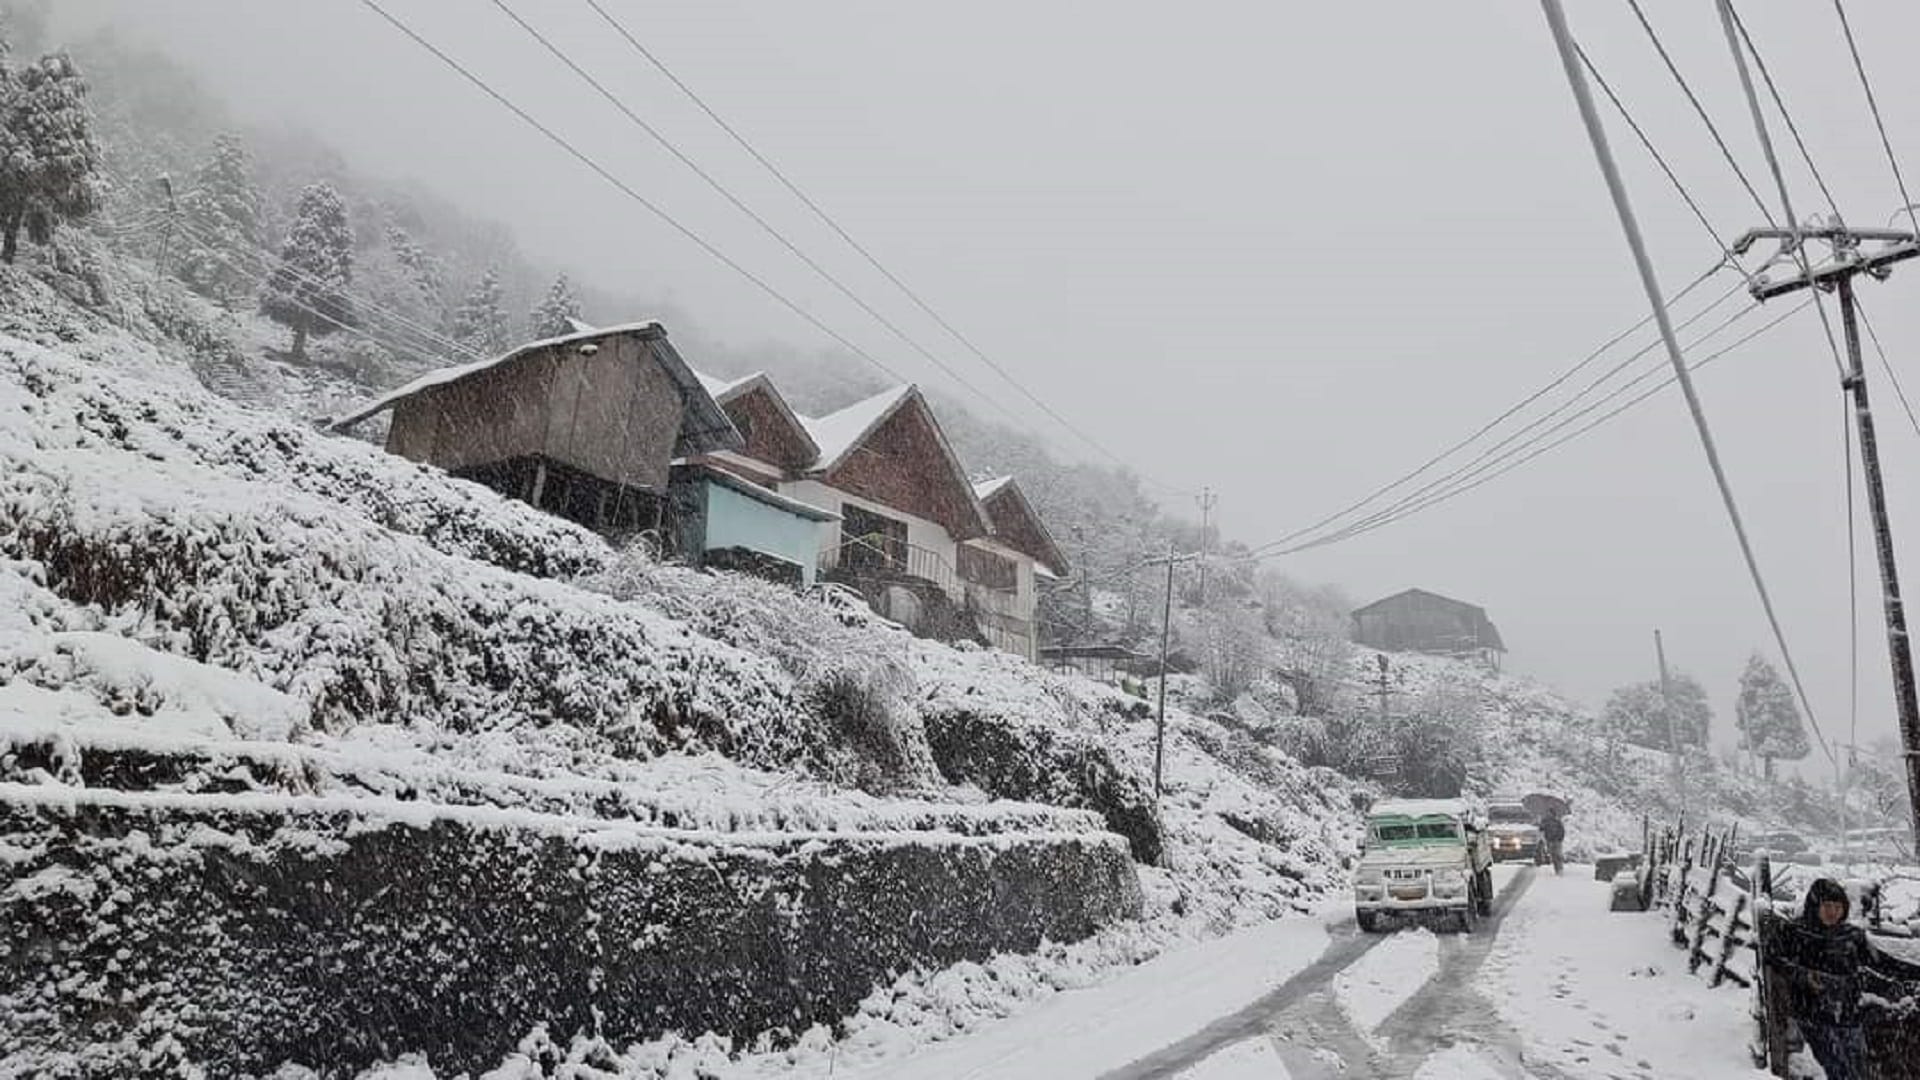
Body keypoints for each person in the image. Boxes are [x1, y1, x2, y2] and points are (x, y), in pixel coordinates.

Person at [1771, 878, 1874, 1080]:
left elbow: (1879, 963)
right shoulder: (1796, 932)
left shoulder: (1852, 936)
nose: (1833, 912)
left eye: (1838, 906)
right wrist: (1803, 976)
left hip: (1848, 1013)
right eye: (1827, 906)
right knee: (1836, 1067)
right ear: (1814, 906)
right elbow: (1774, 959)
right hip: (1811, 1014)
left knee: (1857, 1071)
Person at [1539, 806, 1566, 875]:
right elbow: (1541, 829)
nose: (1549, 814)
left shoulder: (1557, 822)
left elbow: (1562, 830)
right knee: (1553, 855)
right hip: (1549, 840)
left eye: (1550, 813)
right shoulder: (1545, 821)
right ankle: (1556, 868)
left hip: (1557, 840)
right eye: (1548, 813)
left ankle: (1560, 868)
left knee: (1558, 855)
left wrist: (1560, 838)